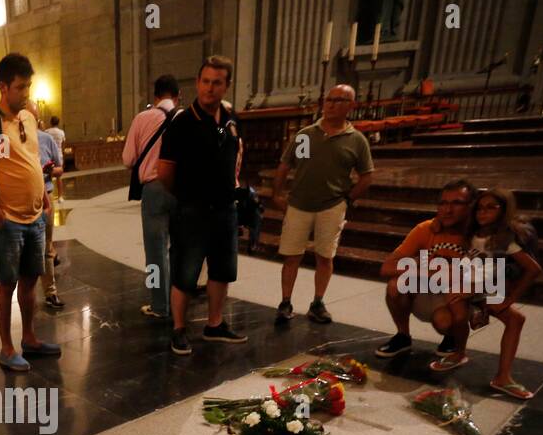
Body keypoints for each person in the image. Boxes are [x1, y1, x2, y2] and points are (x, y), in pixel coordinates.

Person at [0, 52, 61, 373]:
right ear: (3, 86)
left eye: (29, 86)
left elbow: (32, 159)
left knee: (30, 280)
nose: (27, 93)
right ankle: (7, 348)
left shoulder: (29, 118)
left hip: (35, 216)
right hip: (7, 219)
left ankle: (30, 339)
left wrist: (45, 201)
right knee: (6, 283)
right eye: (21, 87)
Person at [157, 55, 248, 355]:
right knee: (185, 272)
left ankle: (214, 324)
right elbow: (165, 172)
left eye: (217, 83)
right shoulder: (182, 122)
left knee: (222, 270)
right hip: (191, 210)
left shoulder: (232, 119)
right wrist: (186, 196)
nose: (209, 88)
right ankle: (179, 329)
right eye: (205, 82)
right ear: (197, 83)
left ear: (227, 85)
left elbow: (236, 157)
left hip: (224, 210)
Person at [270, 84, 374, 326]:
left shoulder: (356, 140)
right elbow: (288, 164)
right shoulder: (307, 135)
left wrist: (348, 199)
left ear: (351, 106)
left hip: (332, 205)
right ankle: (285, 302)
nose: (331, 104)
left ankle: (318, 302)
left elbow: (366, 176)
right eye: (329, 99)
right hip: (299, 203)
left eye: (339, 100)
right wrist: (277, 193)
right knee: (292, 255)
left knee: (325, 256)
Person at [376, 179, 476, 371]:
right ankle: (403, 336)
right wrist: (425, 270)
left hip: (454, 297)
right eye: (443, 203)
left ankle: (452, 337)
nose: (448, 210)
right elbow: (387, 267)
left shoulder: (477, 236)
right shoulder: (425, 229)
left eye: (456, 203)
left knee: (445, 323)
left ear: (471, 207)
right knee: (395, 286)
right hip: (424, 289)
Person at [468, 187, 540, 399]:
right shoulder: (468, 233)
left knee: (516, 319)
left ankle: (503, 377)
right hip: (460, 285)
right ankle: (456, 353)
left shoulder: (503, 240)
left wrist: (509, 300)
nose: (483, 212)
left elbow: (534, 269)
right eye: (480, 208)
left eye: (491, 208)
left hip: (482, 289)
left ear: (504, 211)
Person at [123, 74, 180, 320]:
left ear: (155, 96)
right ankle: (179, 302)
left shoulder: (142, 118)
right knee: (180, 249)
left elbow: (128, 160)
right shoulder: (185, 117)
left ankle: (159, 305)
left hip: (154, 189)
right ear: (177, 97)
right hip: (182, 189)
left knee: (155, 252)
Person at [31, 101, 64, 309]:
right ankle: (27, 293)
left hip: (45, 197)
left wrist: (49, 171)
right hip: (21, 200)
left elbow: (60, 168)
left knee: (47, 246)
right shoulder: (9, 140)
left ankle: (51, 292)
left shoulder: (47, 139)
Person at [47, 115, 66, 200]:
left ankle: (49, 195)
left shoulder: (47, 132)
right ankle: (60, 196)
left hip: (49, 155)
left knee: (48, 175)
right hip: (59, 154)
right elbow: (63, 144)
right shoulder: (61, 132)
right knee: (59, 176)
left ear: (51, 122)